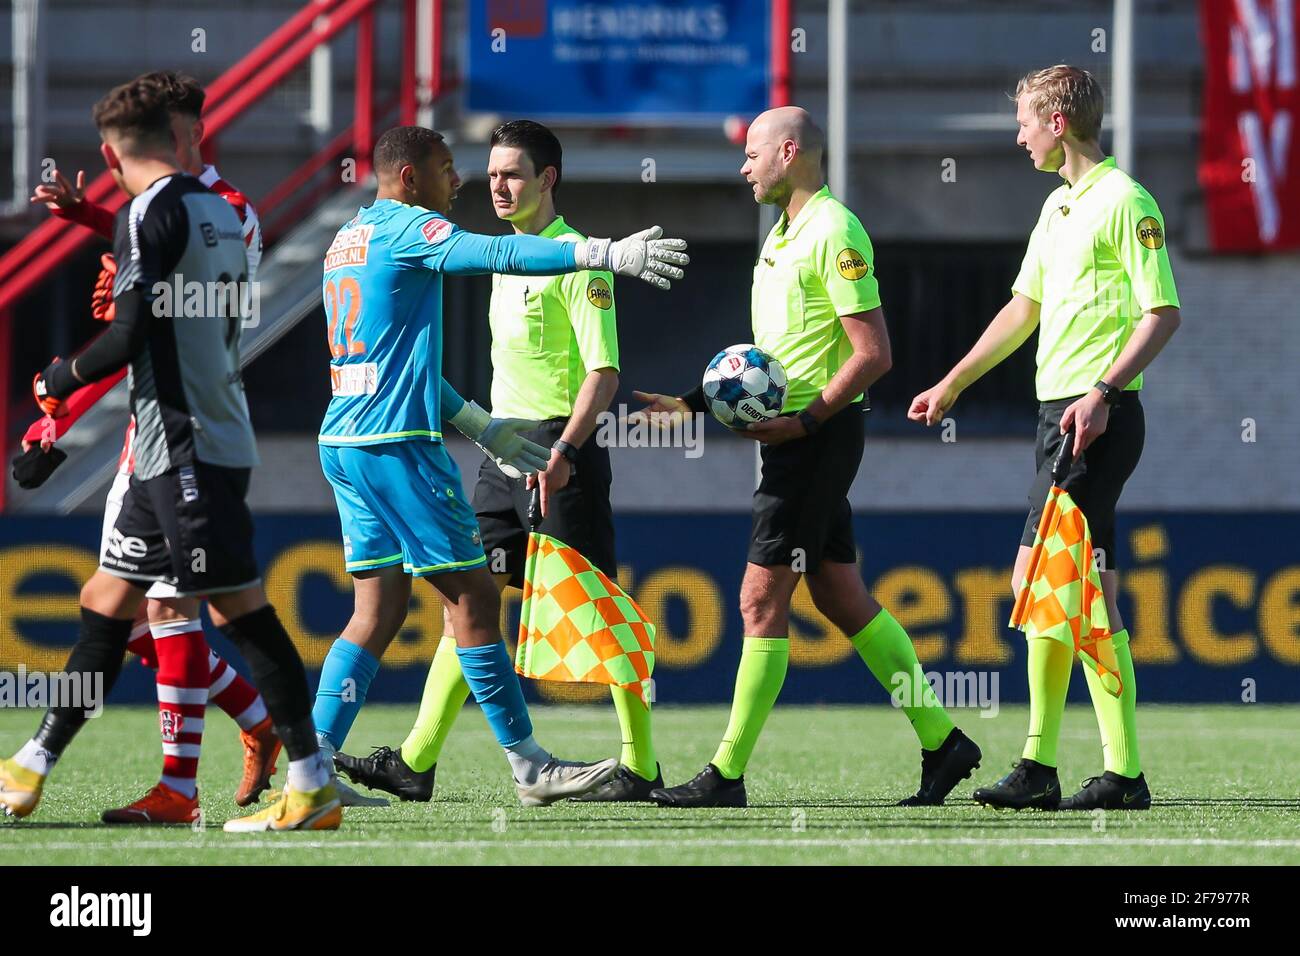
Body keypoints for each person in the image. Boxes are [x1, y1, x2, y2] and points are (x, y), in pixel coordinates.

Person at [302, 125, 688, 806]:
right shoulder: (424, 232)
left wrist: (496, 431)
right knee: (475, 598)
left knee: (392, 606)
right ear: (412, 177)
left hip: (388, 443)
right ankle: (524, 766)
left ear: (548, 179)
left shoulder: (347, 238)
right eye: (456, 170)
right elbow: (493, 254)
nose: (473, 184)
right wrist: (604, 251)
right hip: (403, 443)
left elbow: (411, 363)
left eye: (507, 173)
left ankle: (315, 770)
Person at [0, 74, 339, 832]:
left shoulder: (159, 212)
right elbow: (175, 308)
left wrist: (57, 386)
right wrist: (106, 235)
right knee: (108, 604)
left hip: (186, 444)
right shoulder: (214, 210)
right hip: (170, 439)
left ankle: (300, 782)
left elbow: (133, 336)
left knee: (230, 611)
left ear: (114, 151)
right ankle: (30, 765)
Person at [634, 107, 981, 809]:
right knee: (838, 593)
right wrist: (694, 403)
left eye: (754, 153)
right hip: (801, 438)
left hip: (816, 442)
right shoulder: (783, 235)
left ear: (789, 153)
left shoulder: (834, 230)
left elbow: (873, 354)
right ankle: (945, 742)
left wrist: (809, 420)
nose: (744, 166)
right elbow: (771, 365)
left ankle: (725, 775)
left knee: (759, 599)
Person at [910, 66, 1181, 811]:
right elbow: (1021, 309)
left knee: (1040, 581)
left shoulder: (1126, 201)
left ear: (1058, 122)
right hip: (1058, 415)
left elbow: (1162, 312)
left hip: (1094, 417)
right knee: (1085, 589)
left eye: (1026, 119)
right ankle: (1104, 771)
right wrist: (955, 381)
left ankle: (1057, 765)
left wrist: (1102, 393)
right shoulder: (1058, 207)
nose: (1018, 133)